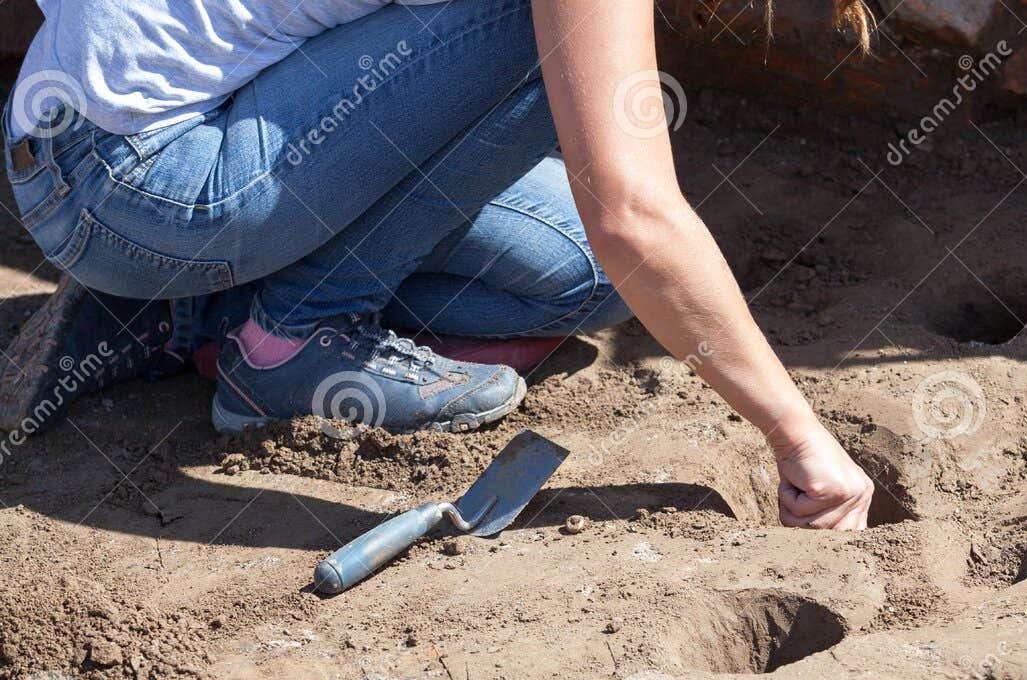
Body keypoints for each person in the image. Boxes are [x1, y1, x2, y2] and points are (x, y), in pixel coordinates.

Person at [0, 0, 876, 530]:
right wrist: (798, 439)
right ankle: (291, 333)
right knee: (547, 38)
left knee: (591, 273)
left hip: (127, 135)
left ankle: (196, 304)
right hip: (129, 176)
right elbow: (634, 214)